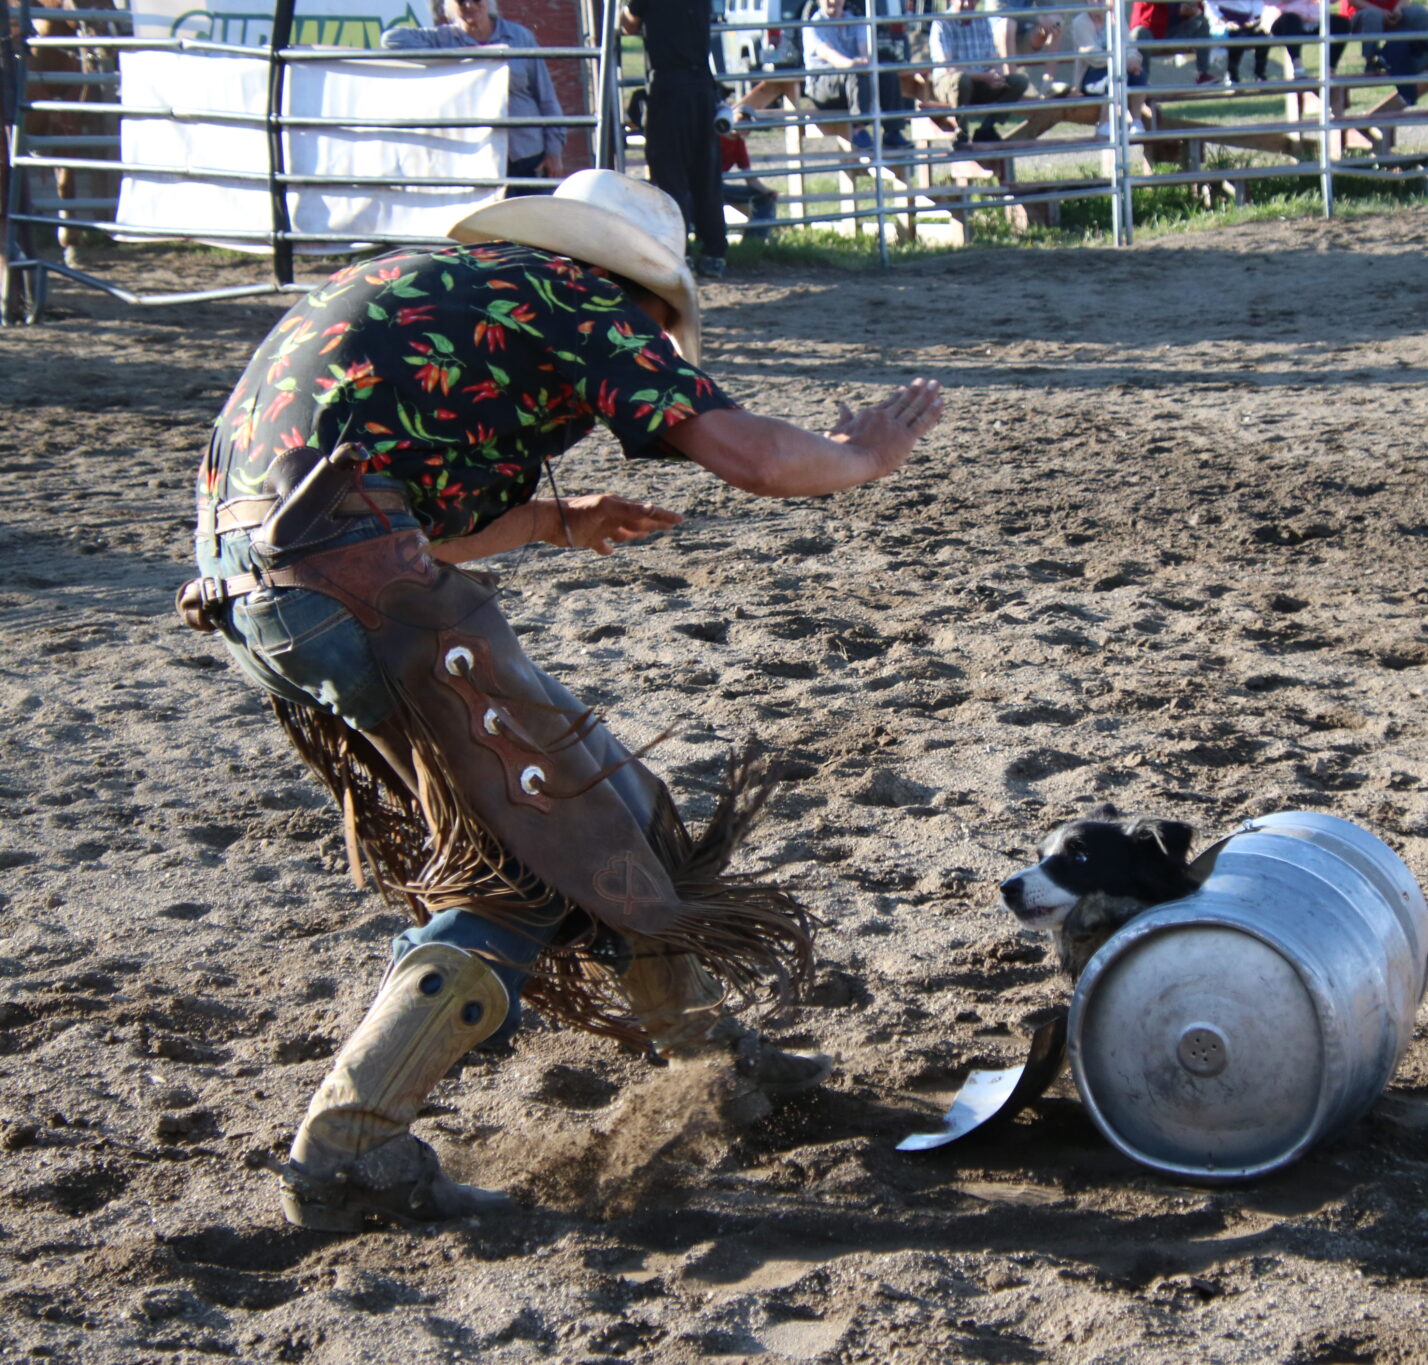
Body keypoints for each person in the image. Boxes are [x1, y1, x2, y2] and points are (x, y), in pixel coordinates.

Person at [179, 170, 944, 1232]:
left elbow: (365, 505)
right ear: (641, 287)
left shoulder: (429, 285)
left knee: (604, 798)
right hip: (350, 590)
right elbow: (744, 453)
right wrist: (863, 455)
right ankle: (352, 1150)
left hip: (260, 592)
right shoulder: (579, 300)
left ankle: (717, 1062)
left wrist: (555, 522)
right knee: (528, 858)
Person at [380, 0, 566, 194]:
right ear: (449, 6)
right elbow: (391, 39)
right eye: (460, 1)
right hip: (477, 155)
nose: (470, 5)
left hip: (526, 152)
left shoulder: (519, 36)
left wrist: (554, 151)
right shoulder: (443, 39)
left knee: (533, 219)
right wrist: (456, 58)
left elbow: (545, 96)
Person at [622, 0, 729, 278]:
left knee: (670, 176)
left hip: (668, 89)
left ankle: (677, 251)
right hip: (703, 87)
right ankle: (714, 253)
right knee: (706, 176)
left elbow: (629, 23)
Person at [803, 0, 913, 152]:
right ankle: (859, 131)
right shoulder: (813, 26)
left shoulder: (856, 21)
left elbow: (865, 50)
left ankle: (893, 131)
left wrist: (864, 61)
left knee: (887, 73)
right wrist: (854, 64)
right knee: (855, 72)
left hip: (856, 82)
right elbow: (828, 54)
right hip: (823, 86)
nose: (833, 1)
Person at [931, 0, 1033, 143]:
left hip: (980, 81)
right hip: (949, 84)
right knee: (961, 80)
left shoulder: (982, 21)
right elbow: (949, 67)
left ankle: (988, 127)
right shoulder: (942, 23)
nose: (967, 4)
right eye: (962, 0)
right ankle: (960, 128)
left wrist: (997, 75)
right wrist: (985, 77)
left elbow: (993, 59)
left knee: (1019, 81)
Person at [718, 127, 780, 238]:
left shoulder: (738, 143)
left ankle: (754, 242)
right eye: (741, 119)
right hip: (700, 187)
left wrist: (767, 191)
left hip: (718, 187)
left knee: (765, 198)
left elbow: (749, 177)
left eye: (749, 121)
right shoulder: (713, 137)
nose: (745, 124)